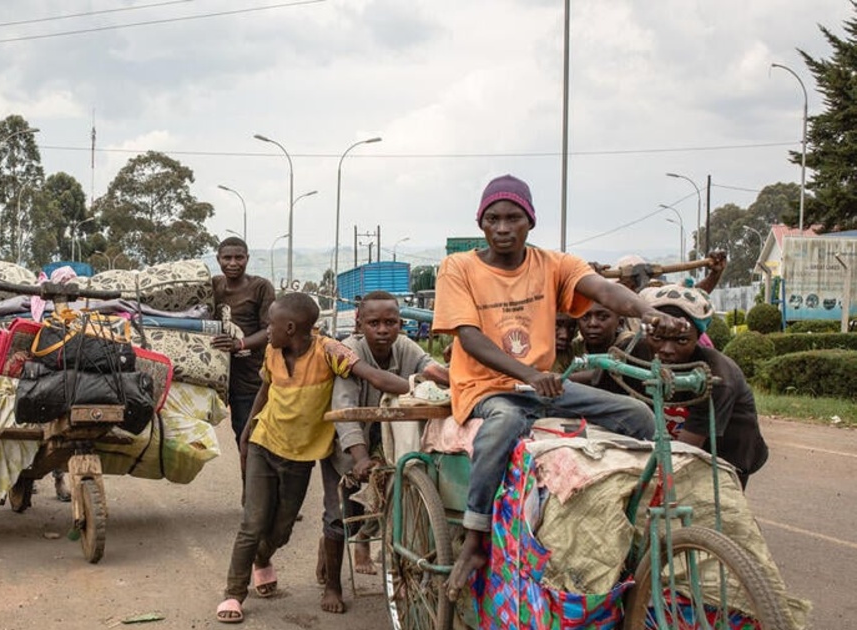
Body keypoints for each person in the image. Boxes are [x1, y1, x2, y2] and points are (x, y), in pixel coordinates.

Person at [430, 174, 690, 600]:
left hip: (544, 387)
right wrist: (528, 374)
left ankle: (651, 517)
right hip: (487, 387)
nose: (502, 227)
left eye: (513, 217)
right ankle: (475, 538)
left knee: (637, 414)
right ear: (481, 224)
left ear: (530, 221)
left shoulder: (554, 264)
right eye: (492, 218)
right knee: (505, 421)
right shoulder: (459, 268)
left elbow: (606, 290)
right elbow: (469, 338)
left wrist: (648, 313)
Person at [216, 293, 408, 623]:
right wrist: (247, 434)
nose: (266, 330)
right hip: (265, 443)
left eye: (270, 324)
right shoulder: (273, 351)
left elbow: (372, 376)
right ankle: (234, 594)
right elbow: (265, 392)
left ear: (290, 328)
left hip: (301, 457)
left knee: (281, 530)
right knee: (252, 522)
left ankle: (262, 558)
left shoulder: (329, 351)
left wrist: (416, 385)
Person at [315, 291, 448, 613]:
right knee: (340, 516)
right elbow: (343, 406)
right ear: (360, 323)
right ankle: (333, 585)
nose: (383, 329)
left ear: (400, 323)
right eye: (374, 323)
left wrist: (452, 376)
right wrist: (359, 458)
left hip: (392, 445)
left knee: (394, 512)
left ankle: (399, 573)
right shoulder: (349, 353)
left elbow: (432, 370)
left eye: (390, 322)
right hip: (347, 447)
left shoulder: (406, 348)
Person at [601, 285, 769, 488]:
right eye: (658, 338)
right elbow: (596, 383)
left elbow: (685, 451)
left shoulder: (716, 376)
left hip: (725, 456)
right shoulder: (634, 352)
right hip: (673, 443)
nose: (667, 350)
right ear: (646, 334)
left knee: (713, 511)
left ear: (698, 337)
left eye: (681, 340)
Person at [211, 237, 276, 450]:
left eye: (239, 258)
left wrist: (238, 344)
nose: (232, 263)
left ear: (247, 258)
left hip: (250, 378)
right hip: (219, 376)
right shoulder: (213, 286)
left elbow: (270, 330)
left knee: (250, 435)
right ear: (218, 259)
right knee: (238, 433)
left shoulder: (260, 287)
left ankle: (253, 482)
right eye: (227, 258)